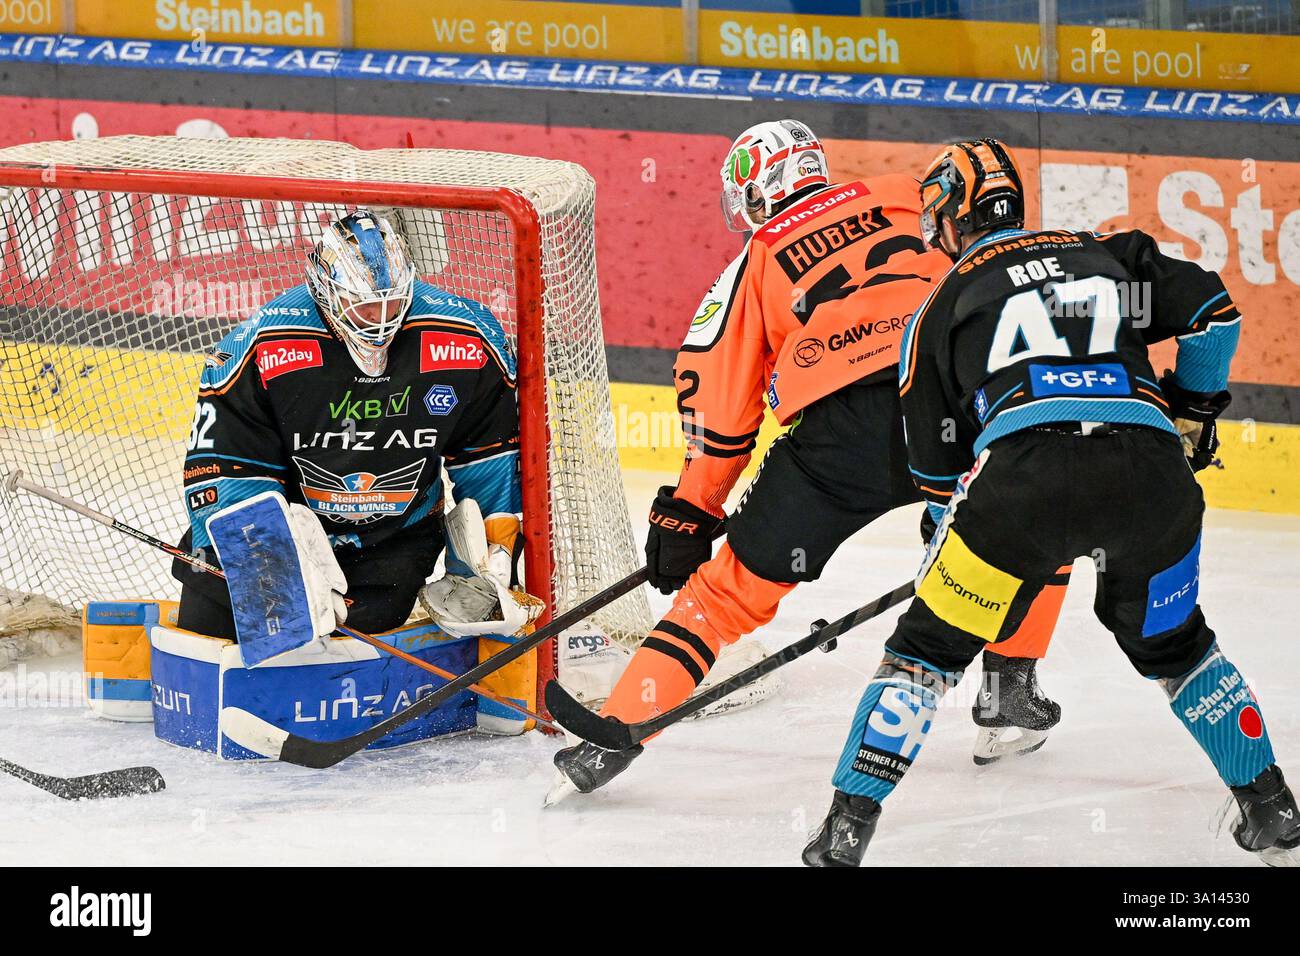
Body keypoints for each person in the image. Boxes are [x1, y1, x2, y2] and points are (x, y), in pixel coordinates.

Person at [804, 138, 1297, 867]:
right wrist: (1192, 414)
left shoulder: (937, 309)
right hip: (1152, 475)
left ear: (959, 216)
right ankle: (1272, 808)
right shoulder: (1105, 251)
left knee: (926, 655)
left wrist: (955, 555)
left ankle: (849, 827)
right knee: (1179, 646)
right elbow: (1215, 316)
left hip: (1020, 484)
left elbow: (941, 484)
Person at [549, 121, 1071, 802]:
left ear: (756, 196)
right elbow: (991, 270)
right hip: (954, 396)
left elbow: (721, 405)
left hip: (840, 435)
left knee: (723, 596)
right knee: (1036, 531)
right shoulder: (905, 196)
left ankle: (612, 734)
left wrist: (691, 509)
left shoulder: (758, 257)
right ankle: (1008, 691)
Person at [173, 210, 541, 662]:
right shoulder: (265, 341)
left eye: (391, 303)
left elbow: (487, 458)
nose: (380, 320)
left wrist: (495, 556)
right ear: (326, 290)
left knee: (349, 652)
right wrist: (278, 565)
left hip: (392, 540)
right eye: (365, 305)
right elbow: (229, 465)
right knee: (216, 628)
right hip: (287, 526)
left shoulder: (466, 335)